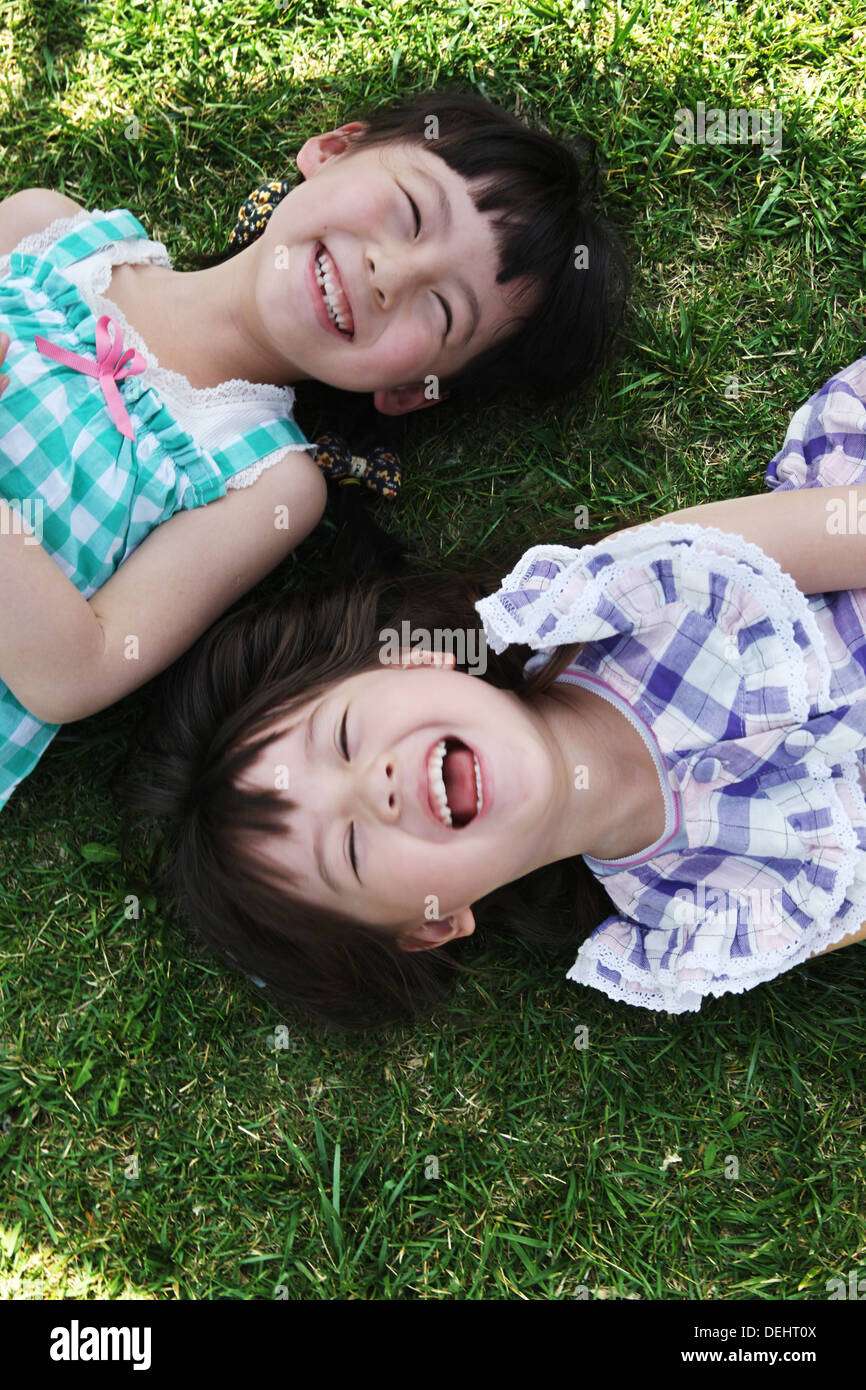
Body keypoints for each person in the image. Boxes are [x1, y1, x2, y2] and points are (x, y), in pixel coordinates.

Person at [124, 353, 866, 1032]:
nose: (378, 786)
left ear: (416, 662)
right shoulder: (697, 927)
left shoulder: (619, 601)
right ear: (432, 923)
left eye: (345, 738)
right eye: (349, 850)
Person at [0, 89, 628, 812]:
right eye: (411, 213)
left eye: (440, 309)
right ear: (333, 150)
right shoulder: (42, 233)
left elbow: (74, 674)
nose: (390, 274)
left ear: (411, 390)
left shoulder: (265, 483)